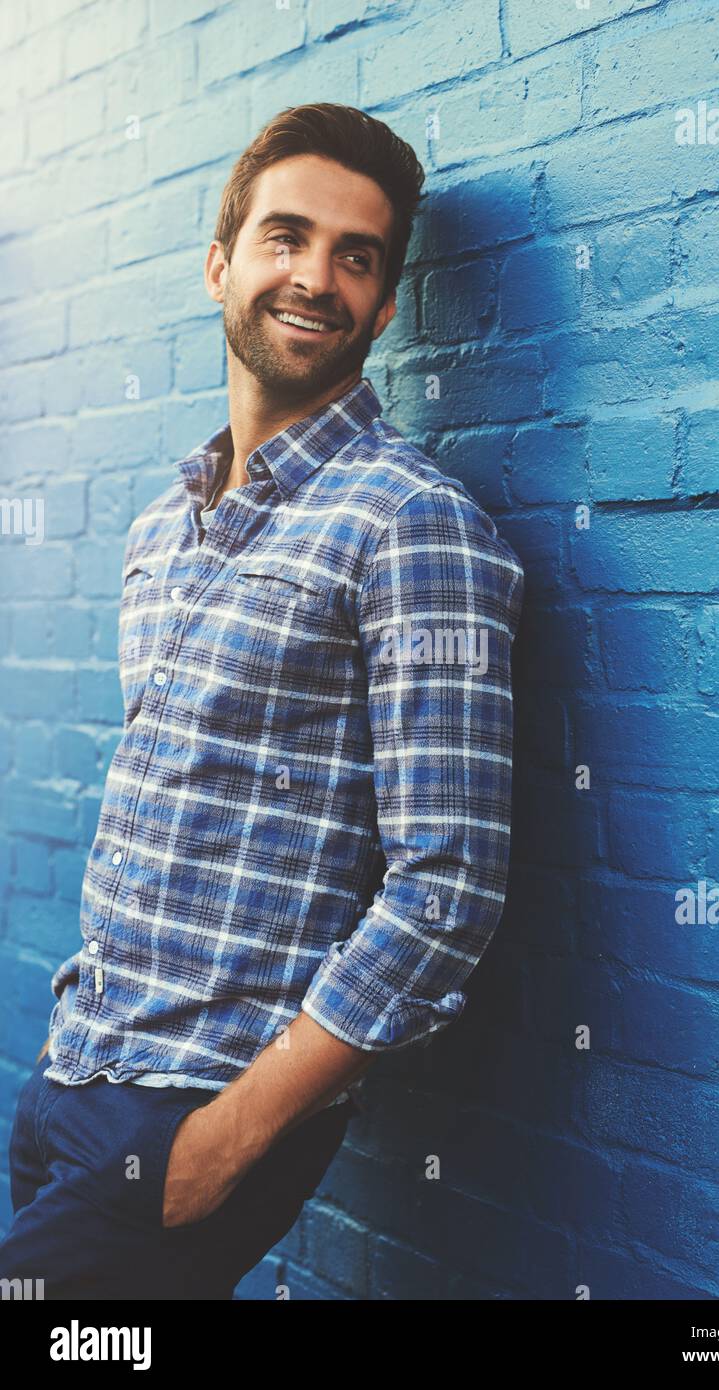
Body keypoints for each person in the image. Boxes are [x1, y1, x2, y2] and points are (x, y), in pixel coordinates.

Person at [0, 103, 524, 1300]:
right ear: (219, 264)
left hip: (195, 1116)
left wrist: (221, 1145)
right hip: (75, 1073)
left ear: (386, 308)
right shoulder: (157, 532)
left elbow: (448, 887)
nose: (318, 277)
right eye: (288, 236)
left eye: (358, 255)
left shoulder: (413, 525)